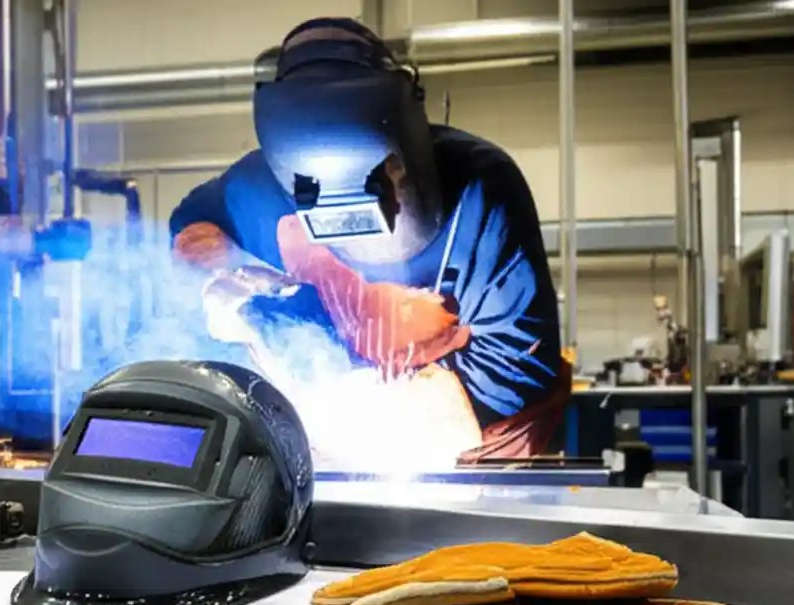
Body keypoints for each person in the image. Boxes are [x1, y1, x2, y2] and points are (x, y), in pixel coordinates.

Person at [169, 17, 571, 460]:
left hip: (475, 446)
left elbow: (517, 372)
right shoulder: (255, 187)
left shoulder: (480, 188)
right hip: (326, 446)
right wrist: (220, 265)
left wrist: (381, 419)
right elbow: (193, 221)